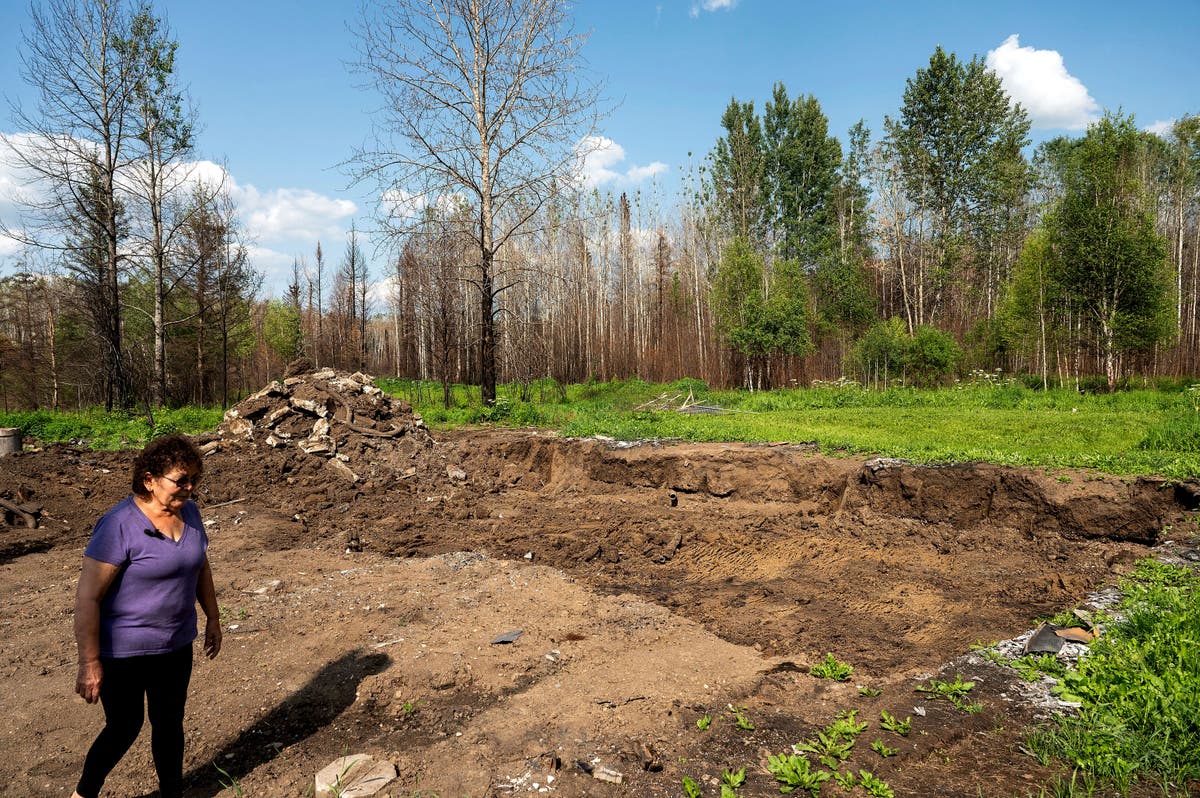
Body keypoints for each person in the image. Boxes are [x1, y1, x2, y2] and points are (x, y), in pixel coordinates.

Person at [71, 433, 222, 798]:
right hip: (123, 650)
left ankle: (172, 792)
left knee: (169, 724)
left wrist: (213, 619)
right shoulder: (118, 524)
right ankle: (82, 794)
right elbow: (88, 597)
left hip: (175, 644)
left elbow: (200, 567)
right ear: (149, 480)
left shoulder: (191, 513)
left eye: (193, 480)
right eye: (180, 480)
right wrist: (89, 661)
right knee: (124, 726)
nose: (188, 488)